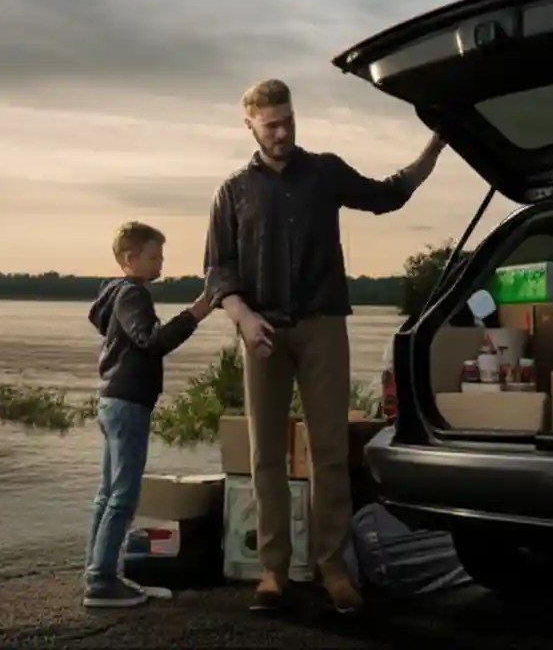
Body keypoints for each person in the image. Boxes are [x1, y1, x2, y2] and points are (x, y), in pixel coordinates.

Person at [203, 78, 445, 614]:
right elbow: (218, 272)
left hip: (323, 325)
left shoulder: (326, 171)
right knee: (266, 453)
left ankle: (332, 569)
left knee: (330, 451)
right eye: (272, 124)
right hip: (260, 331)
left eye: (289, 120)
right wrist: (241, 316)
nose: (284, 131)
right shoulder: (232, 191)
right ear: (250, 125)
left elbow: (390, 195)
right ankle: (272, 571)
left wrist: (437, 144)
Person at [83, 221, 212, 608]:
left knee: (108, 495)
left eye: (161, 256)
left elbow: (127, 337)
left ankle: (100, 574)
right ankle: (102, 582)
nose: (161, 264)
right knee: (122, 496)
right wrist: (198, 312)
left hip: (112, 401)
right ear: (129, 259)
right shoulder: (134, 294)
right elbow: (151, 340)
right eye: (154, 257)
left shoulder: (116, 294)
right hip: (127, 404)